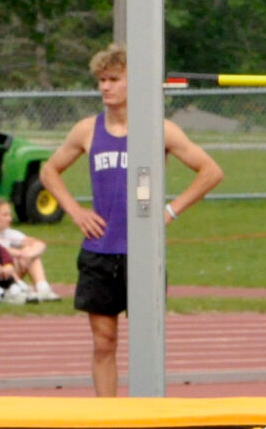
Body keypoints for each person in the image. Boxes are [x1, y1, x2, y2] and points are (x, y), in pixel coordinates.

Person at [37, 43, 223, 397]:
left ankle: (144, 416)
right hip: (100, 251)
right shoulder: (87, 130)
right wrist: (76, 211)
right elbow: (49, 172)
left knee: (145, 348)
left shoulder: (159, 130)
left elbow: (210, 171)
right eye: (101, 80)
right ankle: (109, 419)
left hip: (142, 254)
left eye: (114, 79)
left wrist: (169, 211)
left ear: (133, 83)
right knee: (103, 342)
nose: (106, 87)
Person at [0, 197, 57, 301]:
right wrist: (20, 254)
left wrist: (27, 254)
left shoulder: (8, 232)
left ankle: (43, 289)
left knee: (31, 254)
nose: (10, 219)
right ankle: (20, 288)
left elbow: (40, 244)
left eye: (10, 215)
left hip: (7, 274)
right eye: (5, 215)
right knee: (6, 258)